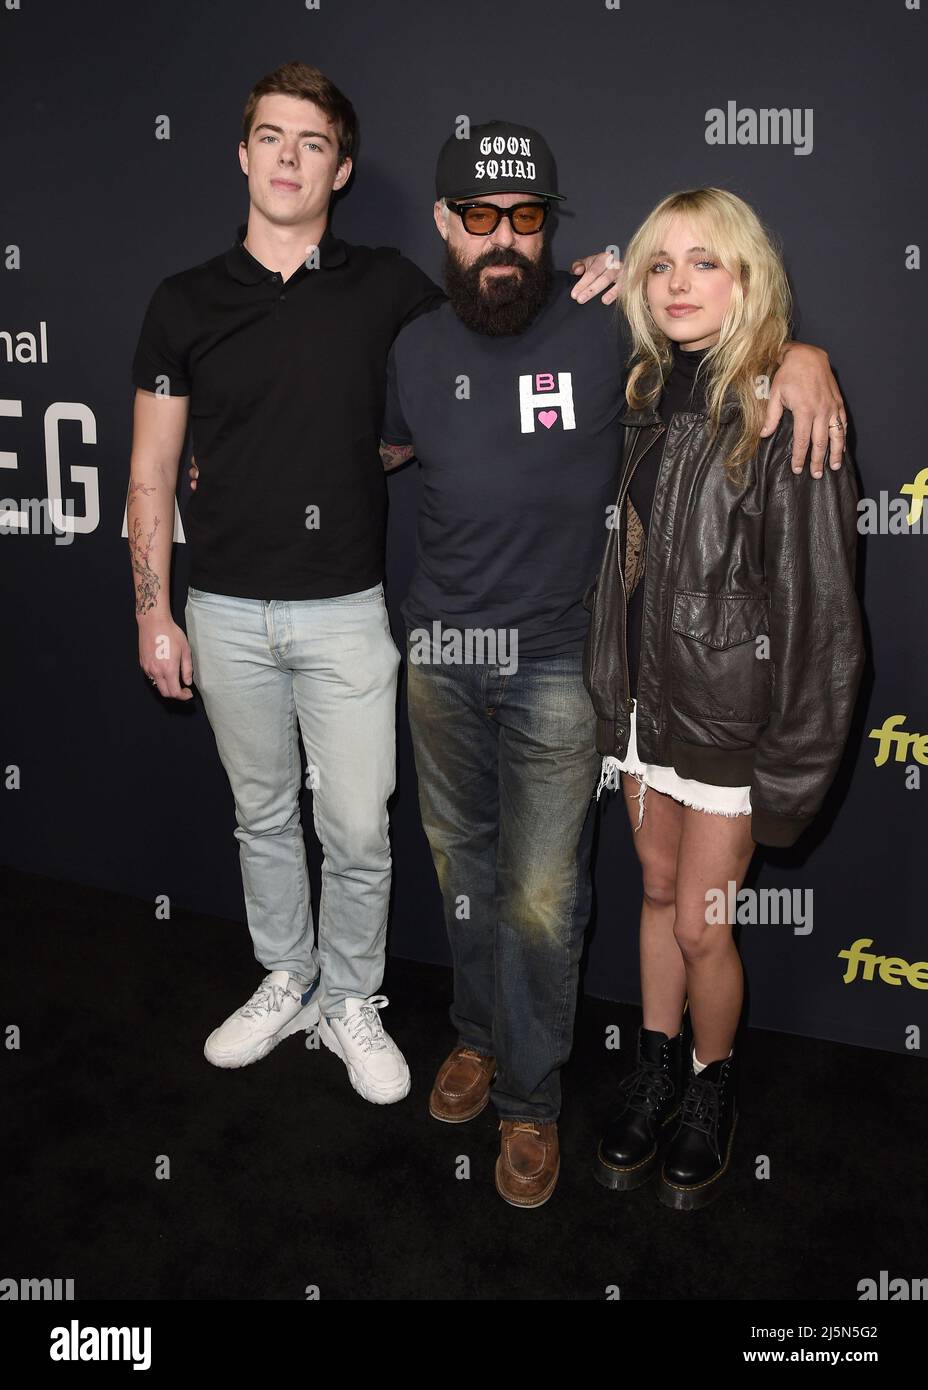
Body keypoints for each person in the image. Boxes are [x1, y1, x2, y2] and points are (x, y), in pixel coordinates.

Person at [379, 127, 848, 1207]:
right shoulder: (429, 350)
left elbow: (718, 330)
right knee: (470, 878)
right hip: (459, 661)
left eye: (527, 216)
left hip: (568, 670)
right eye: (479, 216)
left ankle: (535, 1105)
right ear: (445, 226)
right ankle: (484, 1038)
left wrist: (801, 355)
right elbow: (383, 449)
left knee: (548, 900)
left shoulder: (609, 336)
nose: (503, 238)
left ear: (553, 225)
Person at [130, 65, 614, 1102]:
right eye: (271, 137)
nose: (290, 157)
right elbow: (148, 473)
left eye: (312, 142)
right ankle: (287, 976)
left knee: (360, 829)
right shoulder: (183, 302)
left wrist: (770, 346)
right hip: (222, 610)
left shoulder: (395, 286)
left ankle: (354, 997)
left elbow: (449, 386)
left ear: (341, 169)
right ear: (244, 152)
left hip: (356, 611)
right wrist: (153, 610)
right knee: (263, 817)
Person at [583, 187, 864, 1209]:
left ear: (747, 279)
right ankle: (655, 1060)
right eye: (660, 265)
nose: (678, 283)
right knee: (657, 897)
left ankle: (710, 1085)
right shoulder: (645, 393)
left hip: (730, 727)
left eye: (705, 262)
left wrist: (788, 768)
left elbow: (823, 616)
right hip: (645, 712)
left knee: (705, 923)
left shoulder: (784, 402)